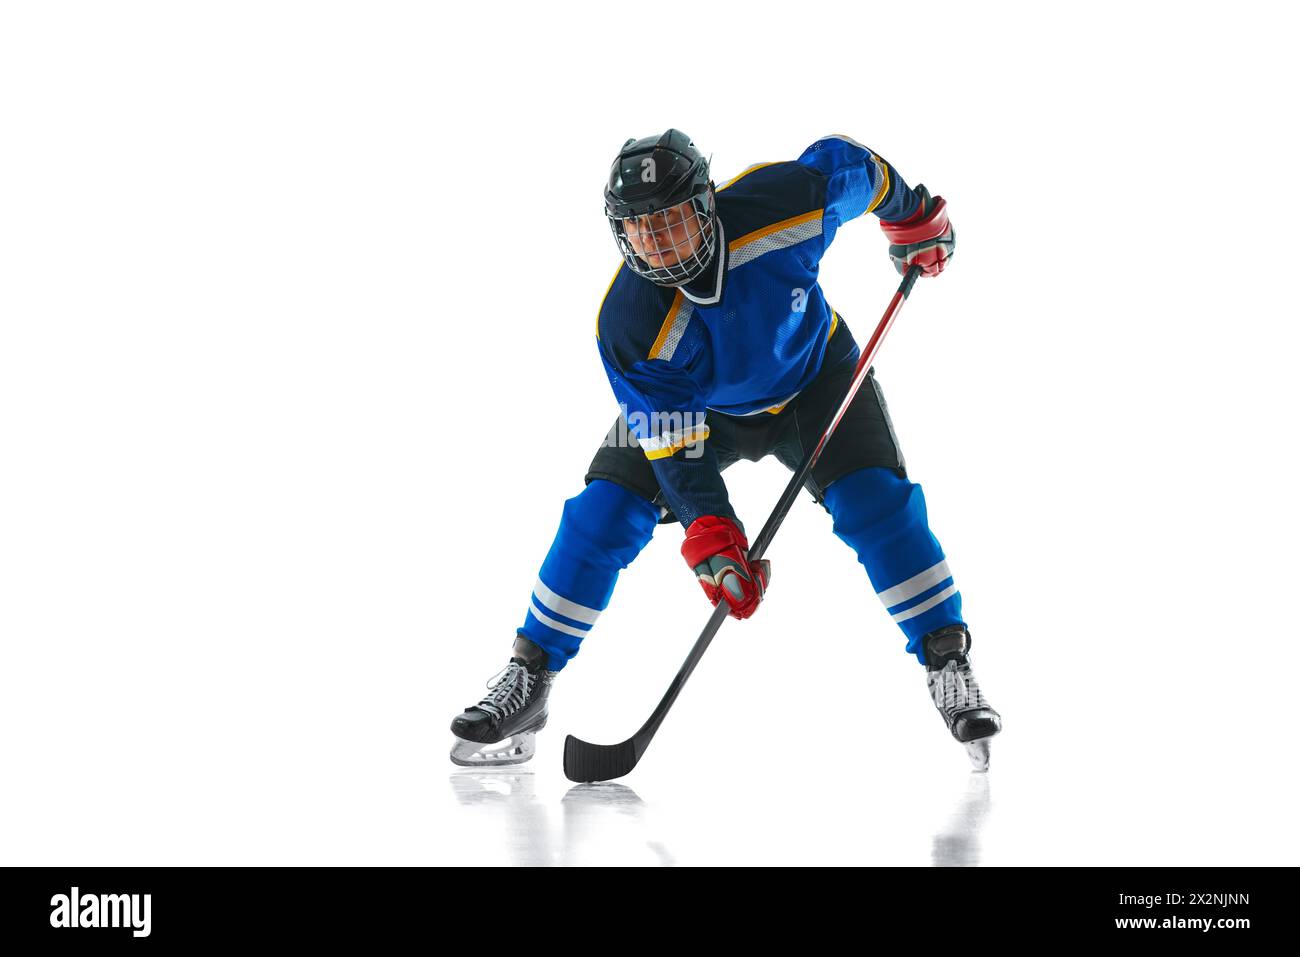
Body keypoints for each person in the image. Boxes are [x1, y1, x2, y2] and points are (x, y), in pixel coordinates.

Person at [449, 130, 1002, 771]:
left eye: (674, 223)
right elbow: (673, 441)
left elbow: (857, 167)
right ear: (620, 234)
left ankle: (947, 660)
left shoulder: (784, 205)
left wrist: (911, 216)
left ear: (707, 204)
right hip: (698, 414)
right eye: (642, 231)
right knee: (603, 513)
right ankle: (531, 676)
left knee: (877, 504)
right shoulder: (629, 322)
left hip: (816, 378)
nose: (659, 244)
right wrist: (714, 535)